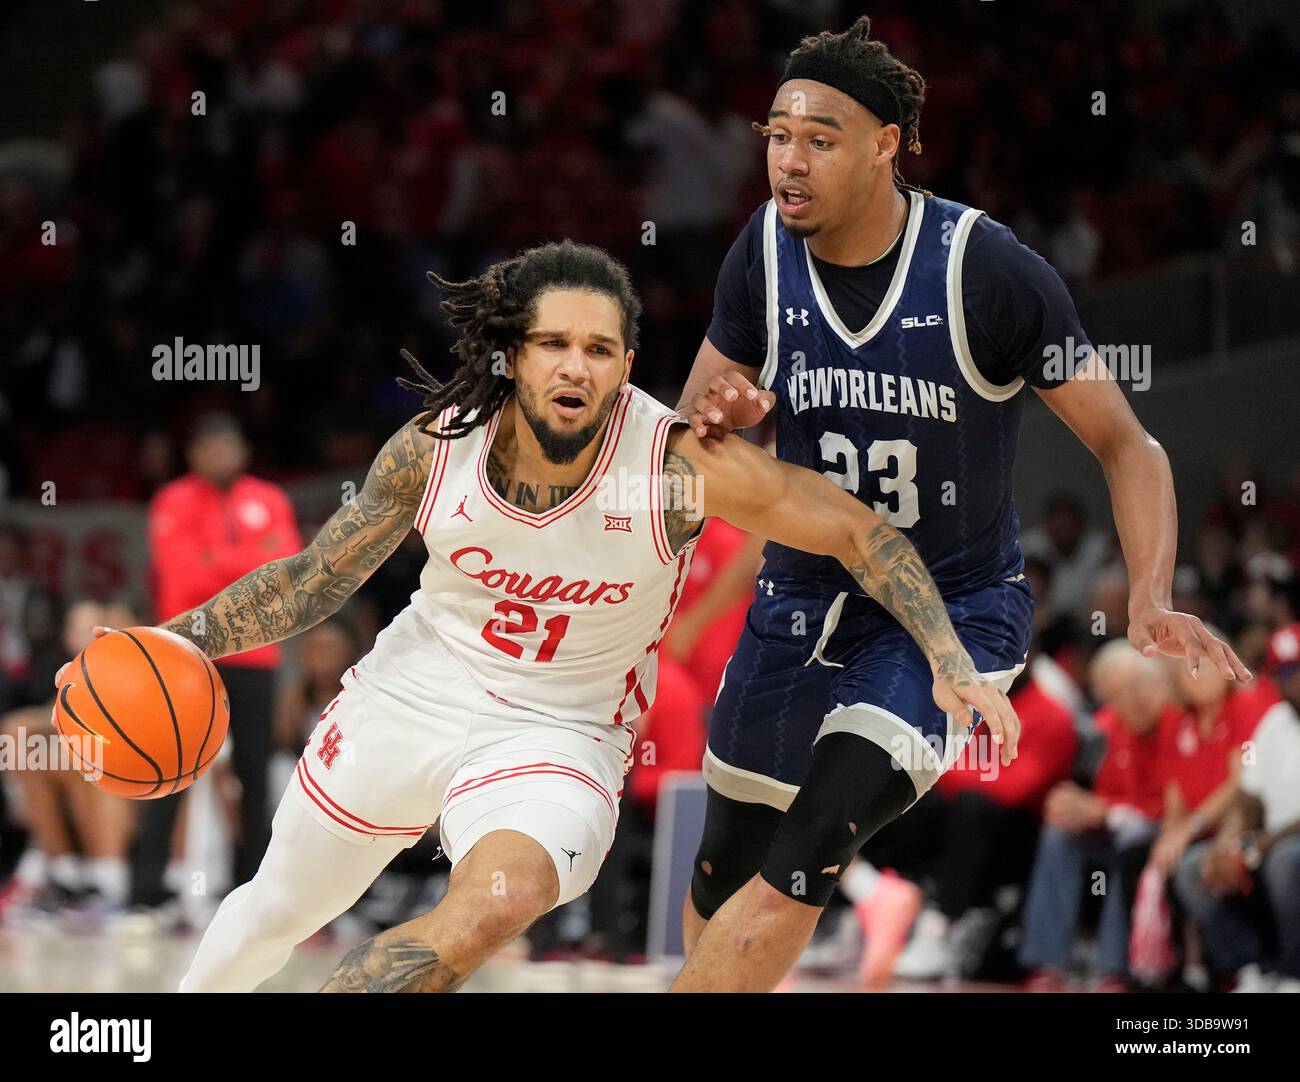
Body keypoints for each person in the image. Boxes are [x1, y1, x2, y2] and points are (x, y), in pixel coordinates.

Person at [62, 242, 1014, 993]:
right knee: (274, 911)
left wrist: (945, 652)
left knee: (490, 906)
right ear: (513, 355)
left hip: (563, 733)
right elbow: (315, 578)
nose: (576, 366)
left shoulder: (677, 464)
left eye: (600, 349)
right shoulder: (437, 446)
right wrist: (171, 640)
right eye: (553, 343)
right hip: (414, 691)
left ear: (627, 365)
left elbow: (857, 529)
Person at [670, 16, 1250, 992]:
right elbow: (690, 438)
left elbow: (1127, 442)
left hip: (948, 613)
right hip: (798, 600)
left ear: (885, 145)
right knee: (724, 867)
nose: (788, 161)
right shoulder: (762, 253)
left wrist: (1147, 594)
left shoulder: (986, 271)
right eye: (776, 135)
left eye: (819, 138)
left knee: (801, 857)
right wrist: (724, 418)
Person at [133, 413, 302, 911]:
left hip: (255, 652)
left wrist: (216, 559)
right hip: (188, 653)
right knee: (169, 768)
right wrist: (250, 559)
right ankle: (145, 892)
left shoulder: (269, 498)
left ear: (243, 452)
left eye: (229, 447)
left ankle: (250, 887)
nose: (221, 457)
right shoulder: (172, 500)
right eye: (210, 448)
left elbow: (285, 573)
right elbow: (181, 577)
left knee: (252, 771)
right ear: (194, 455)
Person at [1017, 641, 1177, 990]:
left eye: (1136, 687)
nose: (1129, 702)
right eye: (1115, 696)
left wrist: (1104, 810)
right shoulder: (1107, 726)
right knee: (1059, 831)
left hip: (1164, 832)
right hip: (1118, 826)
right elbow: (1102, 795)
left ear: (1159, 682)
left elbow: (1177, 803)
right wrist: (1073, 804)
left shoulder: (1178, 723)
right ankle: (1047, 962)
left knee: (1133, 837)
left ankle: (1113, 967)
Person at [1172, 623, 1300, 992]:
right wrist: (1227, 846)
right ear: (1275, 678)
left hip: (1284, 848)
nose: (1297, 681)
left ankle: (1294, 972)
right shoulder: (1276, 722)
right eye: (1289, 672)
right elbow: (1247, 799)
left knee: (1286, 861)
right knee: (1195, 867)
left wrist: (1262, 844)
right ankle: (1253, 969)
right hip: (1268, 844)